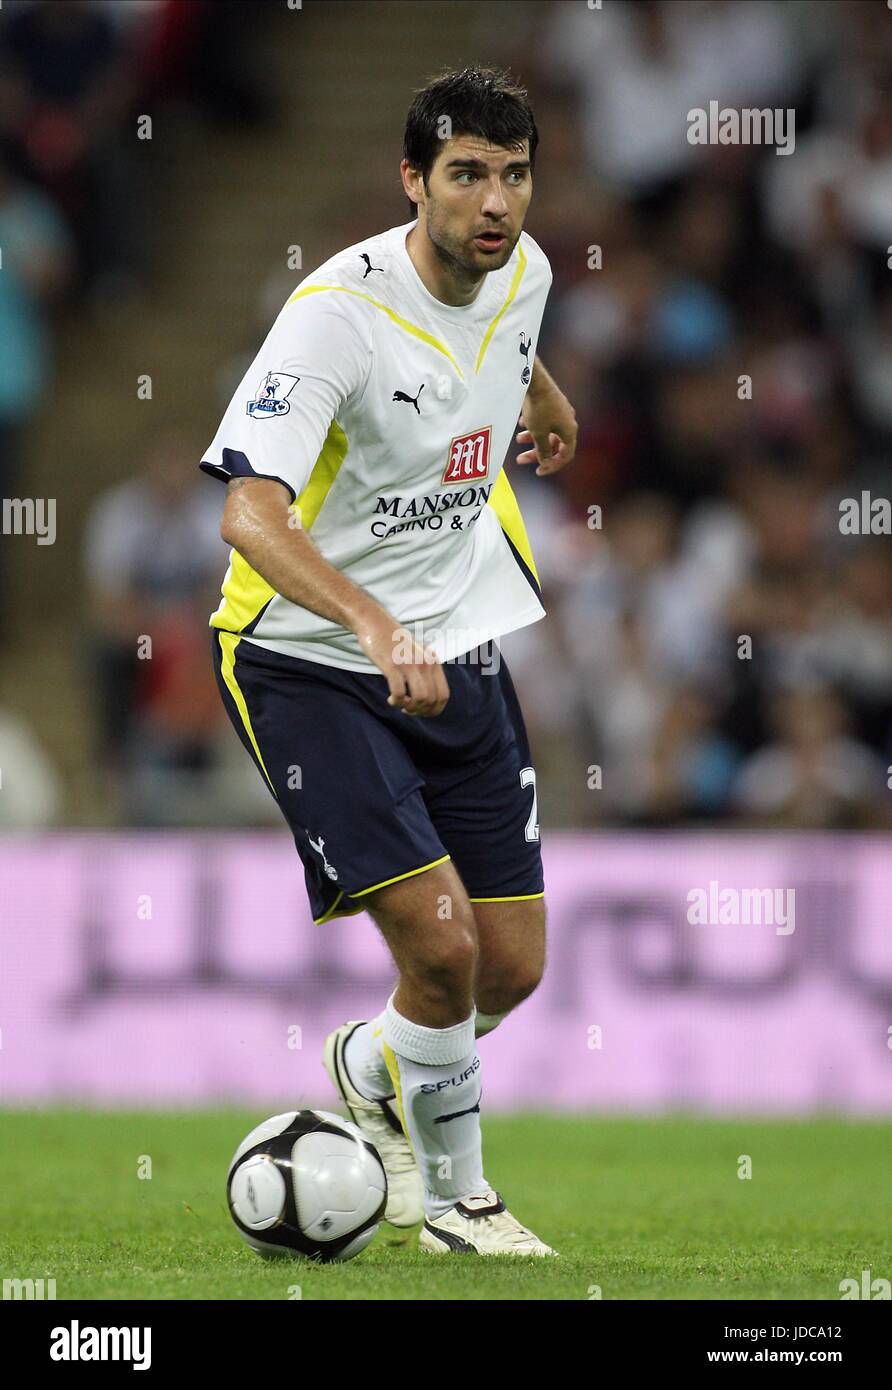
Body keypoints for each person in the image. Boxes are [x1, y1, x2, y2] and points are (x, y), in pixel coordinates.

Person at [199, 67, 577, 1256]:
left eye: (514, 175)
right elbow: (250, 514)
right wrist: (371, 625)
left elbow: (504, 337)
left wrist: (547, 401)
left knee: (507, 968)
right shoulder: (333, 315)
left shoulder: (527, 269)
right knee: (441, 946)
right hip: (308, 658)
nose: (496, 201)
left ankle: (365, 1068)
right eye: (466, 174)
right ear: (412, 179)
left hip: (456, 642)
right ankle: (462, 1204)